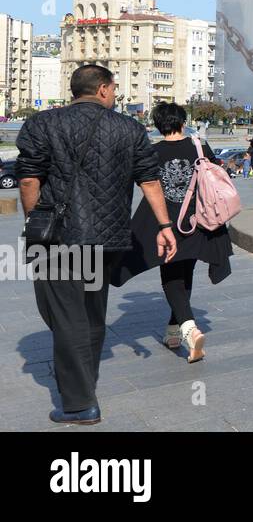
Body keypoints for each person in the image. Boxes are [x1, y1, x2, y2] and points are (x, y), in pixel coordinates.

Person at [15, 65, 176, 425]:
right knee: (90, 310)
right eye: (114, 88)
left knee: (63, 312)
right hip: (109, 238)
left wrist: (33, 221)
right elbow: (149, 181)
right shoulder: (130, 129)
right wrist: (165, 226)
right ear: (102, 90)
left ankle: (78, 404)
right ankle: (85, 376)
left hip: (59, 239)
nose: (115, 94)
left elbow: (28, 179)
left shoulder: (42, 124)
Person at [111, 102, 233, 363]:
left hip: (164, 223)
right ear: (182, 121)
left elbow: (142, 182)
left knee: (171, 276)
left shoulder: (151, 151)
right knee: (184, 273)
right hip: (198, 221)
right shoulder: (199, 146)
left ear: (158, 124)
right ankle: (173, 331)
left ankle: (188, 329)